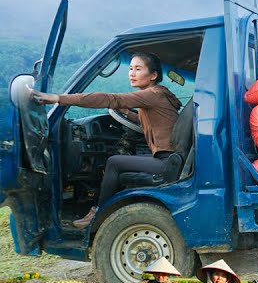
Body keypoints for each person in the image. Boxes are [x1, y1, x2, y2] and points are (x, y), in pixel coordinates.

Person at [31, 52, 183, 229]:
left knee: (114, 163)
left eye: (138, 69)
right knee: (117, 162)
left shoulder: (152, 94)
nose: (132, 73)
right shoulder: (157, 95)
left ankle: (98, 213)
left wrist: (58, 98)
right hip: (171, 159)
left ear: (153, 75)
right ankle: (110, 212)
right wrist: (125, 112)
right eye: (131, 68)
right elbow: (147, 122)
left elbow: (111, 99)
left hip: (167, 161)